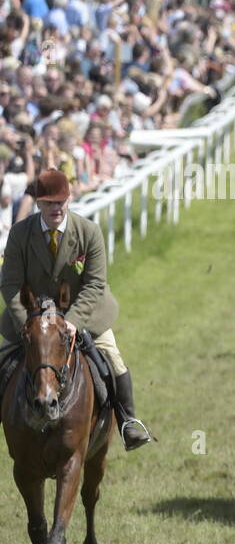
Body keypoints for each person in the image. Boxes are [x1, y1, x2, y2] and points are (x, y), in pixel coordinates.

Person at [0, 169, 152, 449]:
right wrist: (26, 324)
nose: (55, 208)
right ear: (38, 204)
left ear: (69, 200)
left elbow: (95, 284)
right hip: (32, 318)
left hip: (84, 313)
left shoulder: (89, 232)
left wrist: (72, 322)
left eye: (60, 202)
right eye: (49, 203)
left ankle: (129, 422)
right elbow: (9, 284)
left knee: (113, 358)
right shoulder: (20, 234)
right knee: (3, 363)